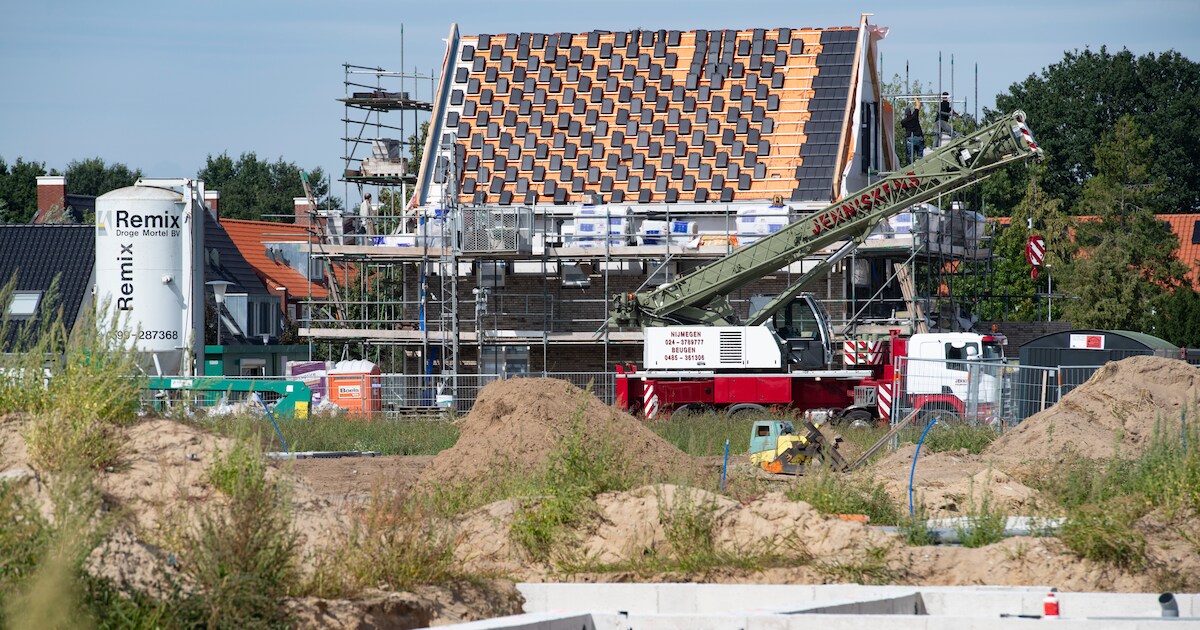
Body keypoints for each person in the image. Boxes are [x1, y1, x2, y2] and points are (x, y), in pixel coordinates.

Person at [900, 98, 924, 165]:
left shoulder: (904, 121)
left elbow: (903, 126)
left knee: (911, 156)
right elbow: (918, 105)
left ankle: (912, 168)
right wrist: (915, 98)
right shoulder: (914, 116)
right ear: (910, 112)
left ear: (905, 114)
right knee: (920, 156)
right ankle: (921, 166)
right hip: (919, 137)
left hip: (910, 138)